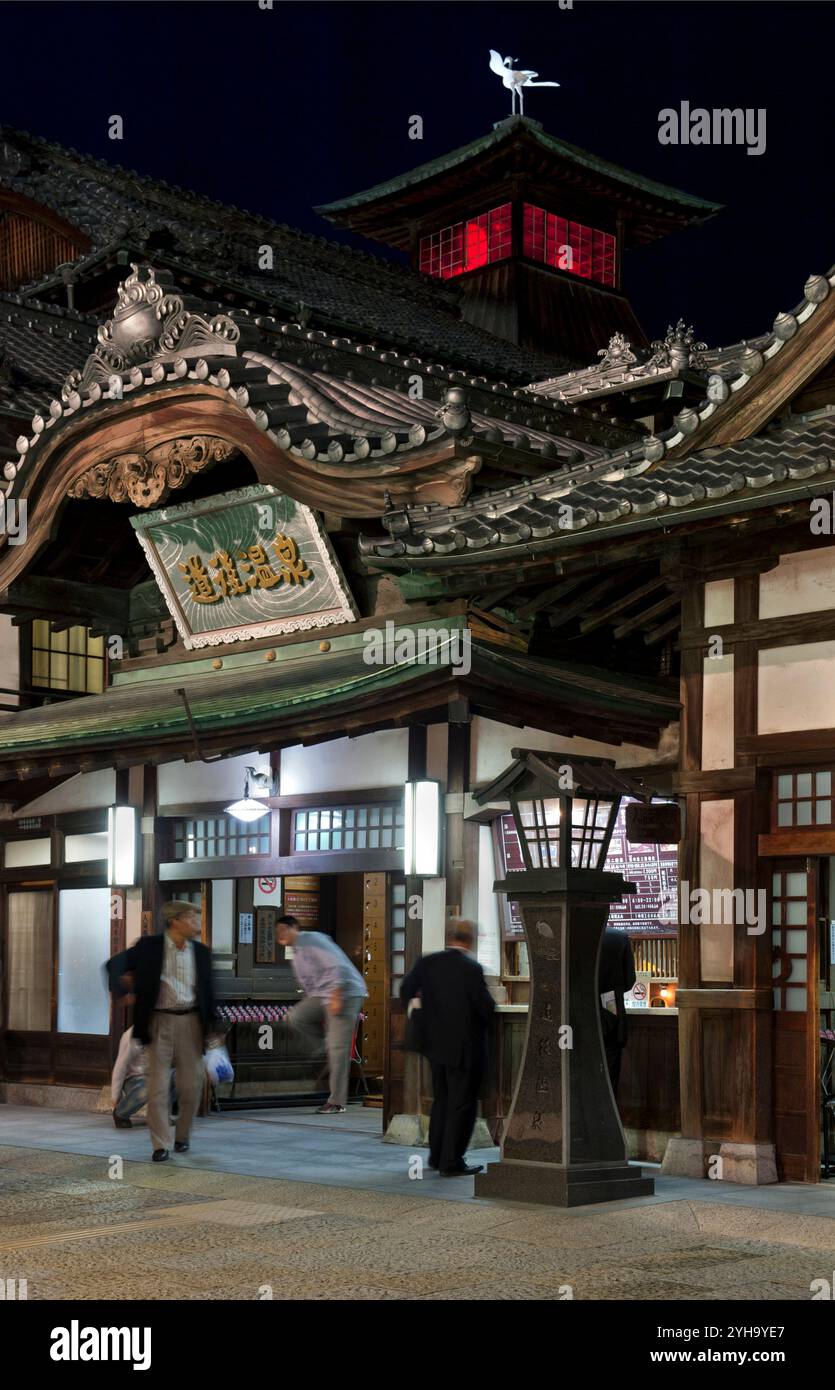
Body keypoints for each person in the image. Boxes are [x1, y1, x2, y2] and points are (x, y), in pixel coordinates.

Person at [107, 901, 216, 1162]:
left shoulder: (200, 952)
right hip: (159, 1022)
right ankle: (160, 1144)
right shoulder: (149, 947)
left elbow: (210, 992)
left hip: (191, 1022)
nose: (195, 922)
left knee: (191, 1087)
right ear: (174, 920)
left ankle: (182, 1135)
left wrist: (213, 1029)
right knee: (157, 1086)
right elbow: (113, 965)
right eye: (191, 917)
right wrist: (123, 991)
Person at [399, 919, 494, 1177]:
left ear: (450, 937)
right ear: (470, 940)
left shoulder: (427, 962)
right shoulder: (471, 968)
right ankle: (451, 1162)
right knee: (461, 1104)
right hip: (464, 1047)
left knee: (441, 1100)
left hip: (433, 1045)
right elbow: (485, 1008)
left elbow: (405, 989)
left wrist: (422, 1007)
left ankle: (436, 1156)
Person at [275, 914, 367, 1113]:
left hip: (345, 992)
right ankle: (322, 1049)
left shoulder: (312, 939)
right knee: (296, 1016)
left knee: (338, 1049)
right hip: (321, 994)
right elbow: (308, 983)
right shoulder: (296, 951)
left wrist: (336, 994)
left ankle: (337, 1102)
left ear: (295, 928)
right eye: (277, 931)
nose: (280, 934)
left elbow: (337, 965)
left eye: (283, 929)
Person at [598, 925, 637, 1095]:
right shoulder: (619, 937)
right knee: (610, 1060)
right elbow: (629, 980)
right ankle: (608, 1114)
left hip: (580, 1006)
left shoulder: (574, 935)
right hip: (610, 1003)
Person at [110, 1025, 147, 1129]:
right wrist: (115, 1098)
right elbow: (120, 1067)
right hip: (135, 1079)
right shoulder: (133, 1036)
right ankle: (121, 1113)